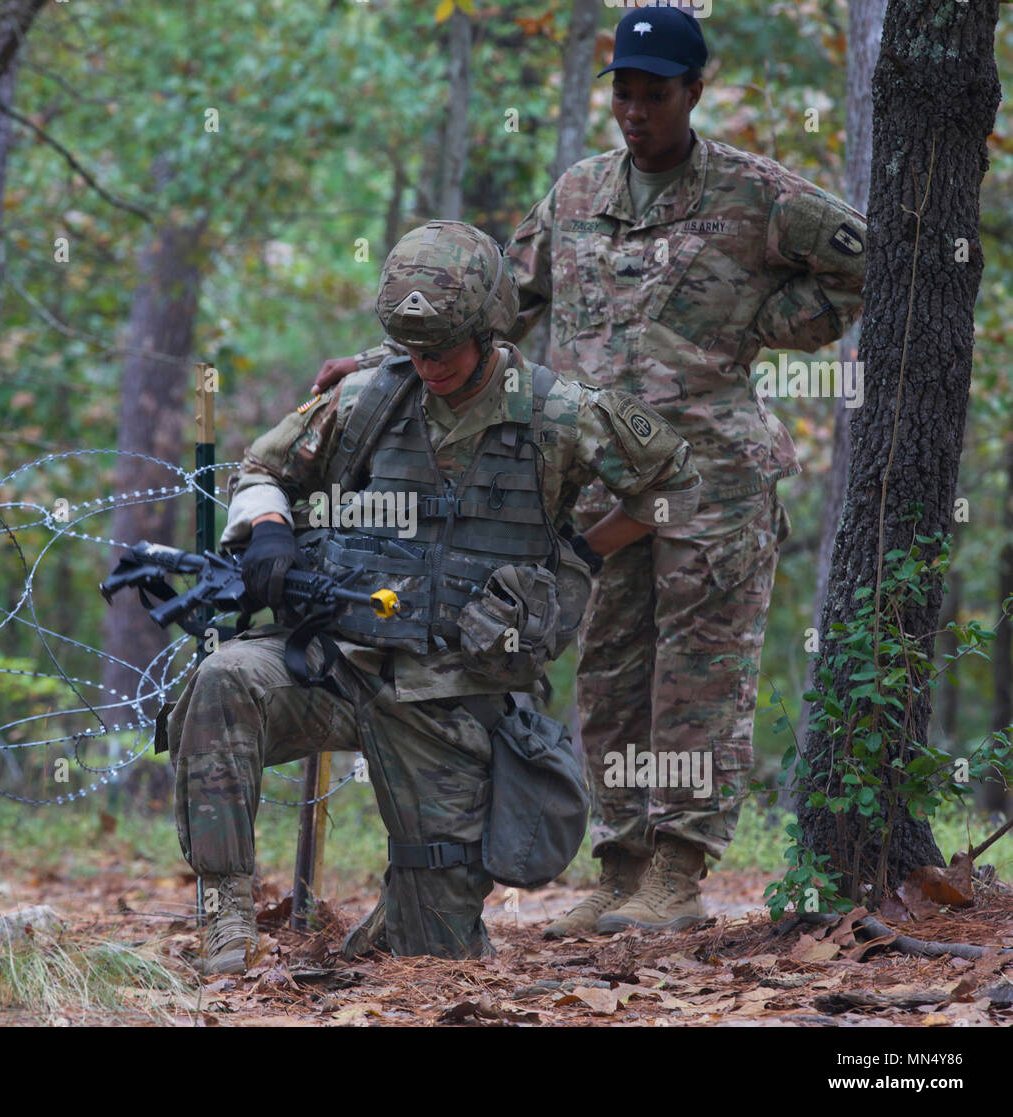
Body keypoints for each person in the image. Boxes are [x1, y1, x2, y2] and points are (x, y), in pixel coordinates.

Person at [313, 7, 867, 937]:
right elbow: (498, 298)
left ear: (695, 91)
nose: (636, 111)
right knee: (608, 674)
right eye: (624, 92)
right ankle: (619, 867)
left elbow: (861, 264)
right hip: (602, 488)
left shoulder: (754, 192)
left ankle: (679, 874)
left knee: (698, 680)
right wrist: (382, 360)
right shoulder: (575, 195)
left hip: (709, 482)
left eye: (657, 94)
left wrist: (765, 323)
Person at [164, 220, 700, 974]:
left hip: (450, 701)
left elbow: (674, 484)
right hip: (337, 663)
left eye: (443, 349)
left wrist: (579, 554)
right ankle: (225, 913)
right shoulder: (369, 399)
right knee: (224, 679)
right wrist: (272, 530)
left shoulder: (559, 415)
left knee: (434, 956)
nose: (427, 365)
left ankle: (406, 907)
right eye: (413, 350)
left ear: (487, 329)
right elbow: (261, 467)